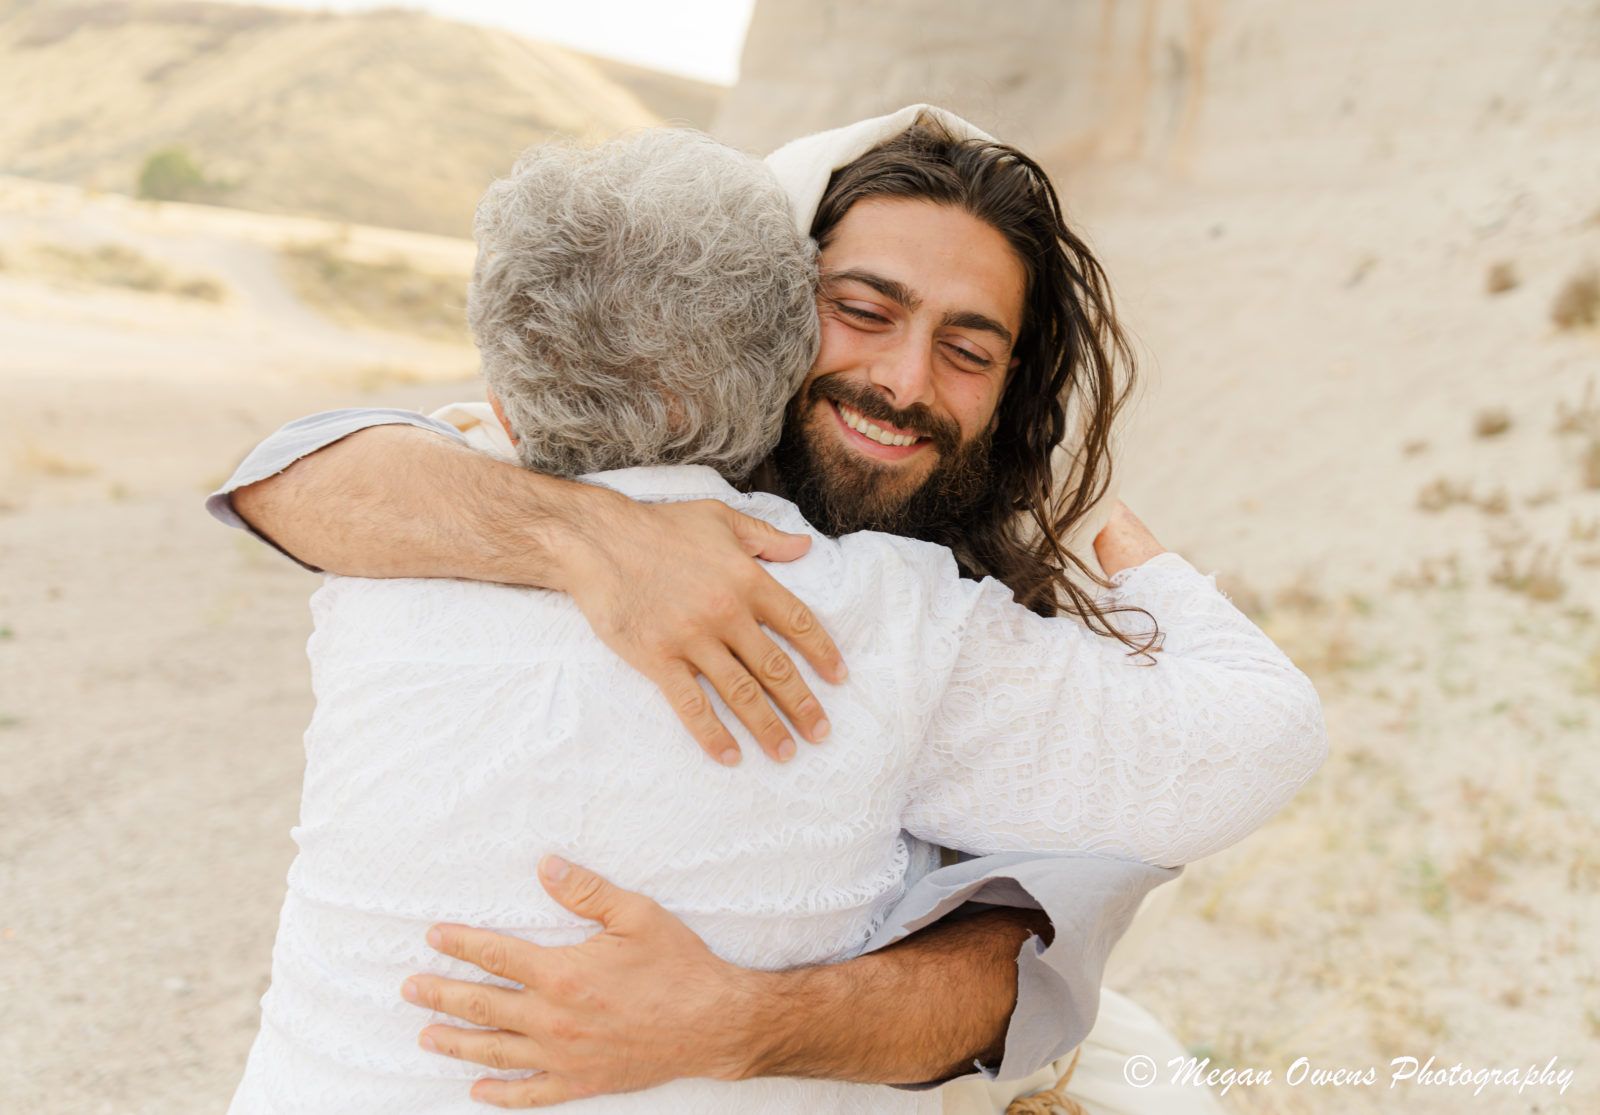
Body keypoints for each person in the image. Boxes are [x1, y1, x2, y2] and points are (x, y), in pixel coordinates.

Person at [211, 107, 1324, 1109]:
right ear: (771, 306)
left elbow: (1013, 974)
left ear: (1010, 390)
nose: (903, 380)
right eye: (861, 309)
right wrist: (591, 540)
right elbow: (292, 474)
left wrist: (736, 1020)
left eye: (968, 349)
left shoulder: (976, 624)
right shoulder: (547, 483)